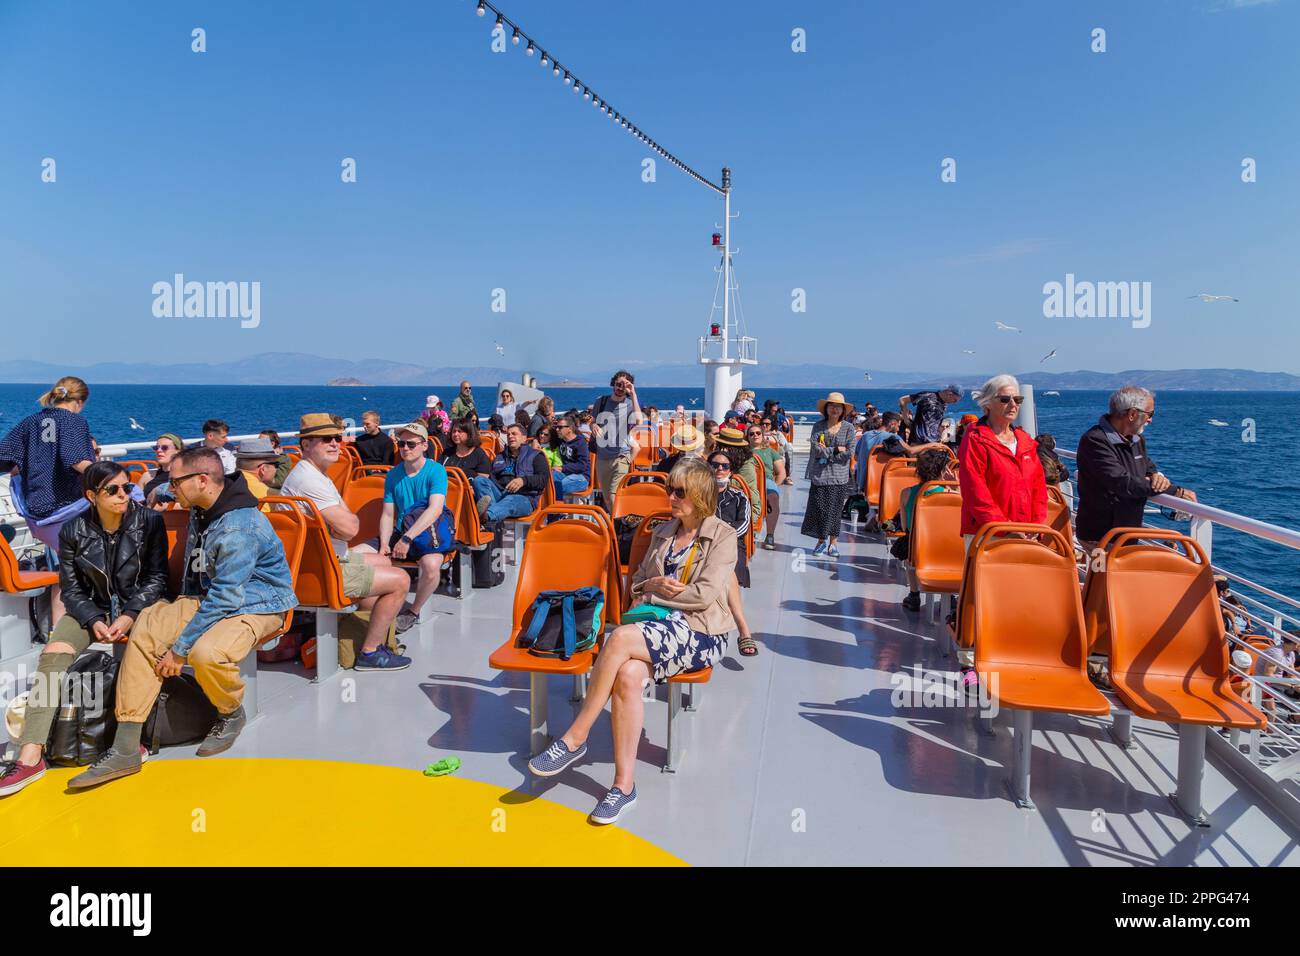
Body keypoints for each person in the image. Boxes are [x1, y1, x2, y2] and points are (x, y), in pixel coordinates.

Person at [63, 449, 298, 788]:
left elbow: (227, 598)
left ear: (202, 480)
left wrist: (179, 648)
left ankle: (231, 712)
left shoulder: (238, 527)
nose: (171, 489)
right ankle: (127, 747)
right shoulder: (202, 506)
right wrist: (171, 617)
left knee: (206, 653)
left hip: (258, 605)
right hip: (209, 596)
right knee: (148, 625)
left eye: (175, 482)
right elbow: (203, 582)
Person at [527, 458, 736, 825]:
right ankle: (623, 787)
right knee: (626, 675)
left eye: (679, 492)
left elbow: (703, 597)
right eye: (670, 488)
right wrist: (651, 587)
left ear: (700, 495)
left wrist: (654, 594)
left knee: (621, 637)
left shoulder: (722, 536)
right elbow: (637, 582)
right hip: (660, 628)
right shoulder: (663, 532)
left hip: (702, 632)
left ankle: (575, 737)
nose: (670, 496)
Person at [0, 462, 169, 797]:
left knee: (138, 649)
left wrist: (129, 615)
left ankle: (130, 742)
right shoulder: (72, 530)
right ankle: (31, 755)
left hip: (143, 606)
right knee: (53, 654)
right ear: (92, 496)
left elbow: (157, 578)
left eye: (127, 487)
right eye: (113, 490)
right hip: (93, 610)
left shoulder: (149, 522)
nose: (124, 495)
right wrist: (93, 619)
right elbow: (72, 588)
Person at [280, 413, 411, 670]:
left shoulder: (314, 474)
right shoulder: (309, 481)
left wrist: (341, 525)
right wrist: (342, 525)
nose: (334, 444)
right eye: (326, 439)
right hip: (323, 570)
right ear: (305, 445)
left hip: (321, 560)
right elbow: (350, 528)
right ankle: (370, 652)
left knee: (383, 560)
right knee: (401, 581)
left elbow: (345, 525)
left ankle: (366, 633)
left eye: (337, 438)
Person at [956, 375, 1048, 685]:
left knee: (1017, 596)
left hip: (1024, 532)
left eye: (1017, 400)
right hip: (987, 532)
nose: (1013, 405)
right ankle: (970, 661)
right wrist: (1003, 527)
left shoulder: (1024, 442)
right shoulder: (975, 438)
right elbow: (974, 488)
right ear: (989, 403)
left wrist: (1035, 527)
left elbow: (1037, 486)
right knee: (979, 595)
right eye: (1006, 399)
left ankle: (1008, 652)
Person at [0, 376, 97, 625]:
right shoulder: (73, 421)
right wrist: (106, 475)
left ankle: (56, 631)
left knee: (64, 573)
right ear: (79, 401)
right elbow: (75, 459)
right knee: (79, 572)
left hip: (39, 516)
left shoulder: (32, 421)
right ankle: (74, 629)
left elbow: (6, 459)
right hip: (68, 510)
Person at [1074, 385, 1196, 554]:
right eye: (1150, 414)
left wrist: (1155, 476)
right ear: (1132, 414)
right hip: (1100, 536)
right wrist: (1174, 491)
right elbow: (1122, 483)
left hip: (1125, 533)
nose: (1151, 420)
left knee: (1116, 579)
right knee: (1106, 579)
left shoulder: (1137, 439)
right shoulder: (1095, 441)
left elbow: (1148, 467)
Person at [378, 423, 454, 633]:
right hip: (402, 531)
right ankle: (370, 610)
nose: (405, 448)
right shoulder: (393, 475)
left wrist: (407, 538)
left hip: (428, 532)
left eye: (411, 444)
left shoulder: (436, 471)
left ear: (424, 445)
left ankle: (413, 611)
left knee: (430, 565)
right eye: (401, 443)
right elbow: (387, 514)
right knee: (366, 557)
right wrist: (384, 542)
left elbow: (435, 509)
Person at [709, 450, 758, 657]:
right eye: (715, 465)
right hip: (704, 543)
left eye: (724, 466)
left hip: (730, 544)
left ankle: (741, 627)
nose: (719, 469)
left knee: (727, 569)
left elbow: (745, 525)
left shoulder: (739, 497)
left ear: (731, 470)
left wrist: (722, 536)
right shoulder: (698, 494)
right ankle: (742, 629)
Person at [896, 450, 958, 613]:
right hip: (948, 550)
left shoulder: (906, 493)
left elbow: (904, 526)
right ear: (942, 472)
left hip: (918, 549)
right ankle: (951, 596)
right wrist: (954, 486)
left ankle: (914, 594)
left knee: (910, 543)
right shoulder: (951, 494)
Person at [801, 392, 856, 558]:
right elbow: (816, 449)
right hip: (820, 475)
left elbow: (850, 451)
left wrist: (829, 454)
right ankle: (820, 541)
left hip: (839, 476)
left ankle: (833, 543)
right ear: (826, 408)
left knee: (835, 510)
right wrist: (836, 450)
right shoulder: (818, 426)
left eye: (838, 406)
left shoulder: (849, 428)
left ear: (843, 410)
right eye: (831, 406)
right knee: (819, 509)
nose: (835, 409)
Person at [471, 422, 550, 523]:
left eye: (514, 434)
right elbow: (492, 479)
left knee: (511, 500)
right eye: (508, 434)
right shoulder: (499, 457)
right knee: (479, 480)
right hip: (501, 494)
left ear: (524, 438)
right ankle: (490, 516)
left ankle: (486, 516)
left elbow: (543, 479)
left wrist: (523, 480)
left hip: (525, 498)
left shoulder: (536, 456)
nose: (510, 436)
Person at [590, 370, 643, 507]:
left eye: (624, 386)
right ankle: (618, 522)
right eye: (618, 384)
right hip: (602, 457)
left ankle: (616, 526)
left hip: (621, 456)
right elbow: (592, 422)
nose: (620, 388)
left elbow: (639, 421)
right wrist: (594, 426)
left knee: (614, 496)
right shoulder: (601, 402)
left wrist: (633, 394)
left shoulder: (630, 404)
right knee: (607, 498)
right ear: (613, 384)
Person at [747, 423, 786, 550]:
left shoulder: (770, 451)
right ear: (747, 437)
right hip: (748, 480)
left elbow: (781, 473)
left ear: (763, 436)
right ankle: (748, 531)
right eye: (751, 434)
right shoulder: (744, 451)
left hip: (766, 480)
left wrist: (775, 485)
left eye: (758, 433)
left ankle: (770, 535)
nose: (755, 435)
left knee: (772, 497)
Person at [550, 414, 592, 497]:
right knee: (549, 481)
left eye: (560, 427)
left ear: (569, 428)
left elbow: (582, 465)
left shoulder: (580, 443)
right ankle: (554, 507)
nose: (557, 429)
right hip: (565, 474)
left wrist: (562, 468)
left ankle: (557, 508)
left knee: (557, 486)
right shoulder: (560, 439)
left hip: (581, 477)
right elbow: (546, 433)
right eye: (556, 427)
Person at [138, 431, 185, 500]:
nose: (159, 450)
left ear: (177, 451)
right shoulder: (147, 476)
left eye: (164, 447)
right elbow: (136, 502)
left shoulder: (184, 476)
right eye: (156, 447)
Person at [235, 437, 281, 504]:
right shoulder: (272, 497)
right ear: (263, 469)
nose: (276, 469)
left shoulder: (222, 486)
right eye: (276, 464)